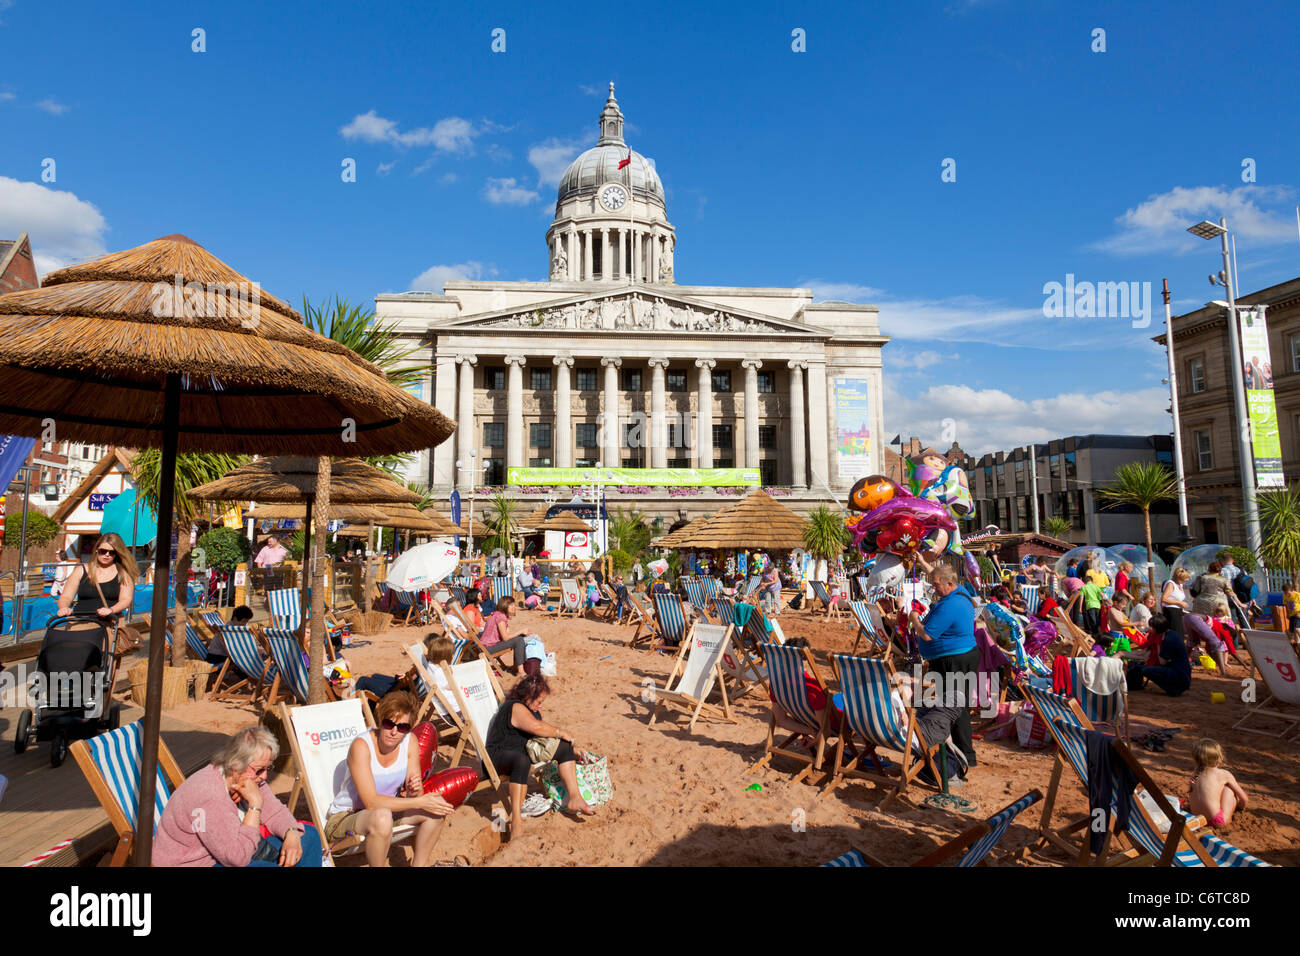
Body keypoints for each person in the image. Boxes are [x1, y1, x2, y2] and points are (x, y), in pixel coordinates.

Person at [153, 725, 321, 867]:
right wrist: (255, 805)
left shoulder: (248, 778)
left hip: (235, 850)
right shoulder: (209, 795)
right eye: (260, 770)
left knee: (309, 837)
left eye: (267, 769)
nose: (264, 776)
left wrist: (291, 832)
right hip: (197, 863)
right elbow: (237, 858)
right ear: (235, 764)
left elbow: (275, 812)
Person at [325, 690, 454, 867]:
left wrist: (415, 791)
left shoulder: (410, 742)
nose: (394, 732)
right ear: (380, 722)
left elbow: (415, 797)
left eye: (402, 727)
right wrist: (419, 802)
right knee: (382, 816)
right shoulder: (362, 746)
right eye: (388, 724)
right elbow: (371, 802)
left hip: (387, 813)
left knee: (436, 807)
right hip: (346, 818)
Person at [485, 674, 595, 836]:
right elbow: (536, 728)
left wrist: (573, 750)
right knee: (521, 760)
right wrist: (560, 732)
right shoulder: (514, 706)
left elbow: (543, 740)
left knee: (564, 747)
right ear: (528, 697)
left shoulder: (531, 710)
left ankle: (575, 798)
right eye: (539, 702)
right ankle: (516, 820)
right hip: (498, 756)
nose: (541, 706)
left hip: (523, 752)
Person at [906, 564, 978, 768]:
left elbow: (927, 634)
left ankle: (965, 755)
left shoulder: (950, 605)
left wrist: (914, 619)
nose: (933, 588)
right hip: (951, 658)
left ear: (950, 583)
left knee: (955, 706)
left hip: (955, 659)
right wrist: (921, 562)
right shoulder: (959, 591)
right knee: (942, 702)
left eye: (936, 585)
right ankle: (946, 747)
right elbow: (938, 574)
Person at [56, 532, 138, 621]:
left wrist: (111, 610)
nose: (107, 555)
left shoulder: (123, 573)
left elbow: (125, 599)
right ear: (96, 550)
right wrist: (64, 607)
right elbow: (66, 596)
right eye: (103, 551)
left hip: (108, 623)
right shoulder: (80, 570)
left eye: (112, 552)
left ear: (117, 554)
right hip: (80, 622)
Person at [1187, 738, 1249, 828]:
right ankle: (1228, 814)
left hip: (1197, 819)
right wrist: (1240, 807)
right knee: (1229, 788)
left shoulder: (1195, 775)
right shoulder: (1223, 774)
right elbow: (1245, 799)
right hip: (1217, 821)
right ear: (1220, 757)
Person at [1139, 614, 1191, 697]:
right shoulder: (1171, 634)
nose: (1151, 629)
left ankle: (1173, 689)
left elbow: (1162, 662)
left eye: (1153, 627)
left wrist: (1158, 644)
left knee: (1146, 670)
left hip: (1179, 675)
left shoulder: (1168, 639)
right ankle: (1174, 688)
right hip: (1182, 673)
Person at [481, 596, 534, 675]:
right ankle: (520, 670)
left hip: (489, 647)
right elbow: (506, 638)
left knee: (520, 638)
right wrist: (521, 631)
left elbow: (508, 635)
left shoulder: (499, 615)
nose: (514, 607)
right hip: (488, 649)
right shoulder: (500, 617)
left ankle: (517, 667)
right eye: (511, 605)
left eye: (514, 605)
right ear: (505, 605)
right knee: (519, 640)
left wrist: (521, 634)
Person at [204, 604, 251, 669]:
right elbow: (233, 650)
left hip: (218, 656)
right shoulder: (228, 630)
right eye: (243, 621)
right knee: (242, 660)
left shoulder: (229, 628)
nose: (244, 625)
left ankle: (251, 677)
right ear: (235, 618)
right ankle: (251, 677)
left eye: (246, 622)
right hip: (216, 658)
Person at [1161, 568, 1191, 636]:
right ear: (1180, 578)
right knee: (1176, 633)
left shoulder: (1180, 585)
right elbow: (1164, 599)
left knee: (1180, 632)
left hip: (1178, 611)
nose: (1187, 580)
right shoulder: (1171, 584)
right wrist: (1180, 603)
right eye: (1186, 578)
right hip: (1171, 611)